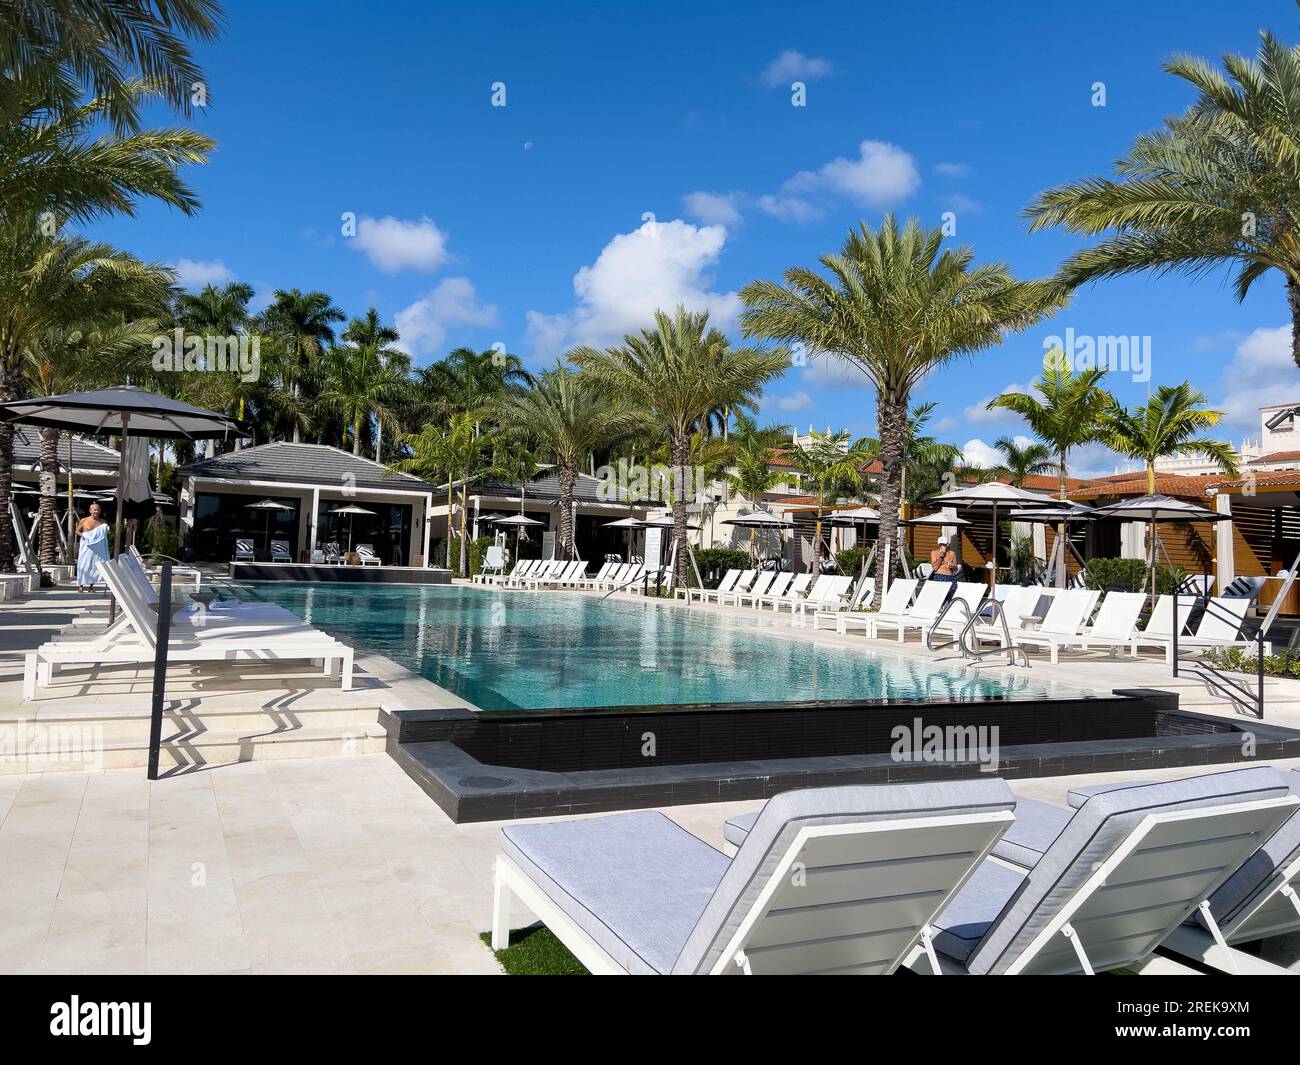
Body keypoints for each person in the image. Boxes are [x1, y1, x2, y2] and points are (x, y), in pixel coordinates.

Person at [75, 502, 110, 593]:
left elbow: (105, 534)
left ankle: (91, 586)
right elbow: (77, 531)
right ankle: (81, 585)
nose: (96, 511)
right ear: (90, 510)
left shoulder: (102, 522)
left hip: (97, 548)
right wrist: (83, 535)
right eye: (94, 510)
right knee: (84, 564)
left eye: (98, 510)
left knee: (95, 565)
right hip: (86, 546)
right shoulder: (84, 520)